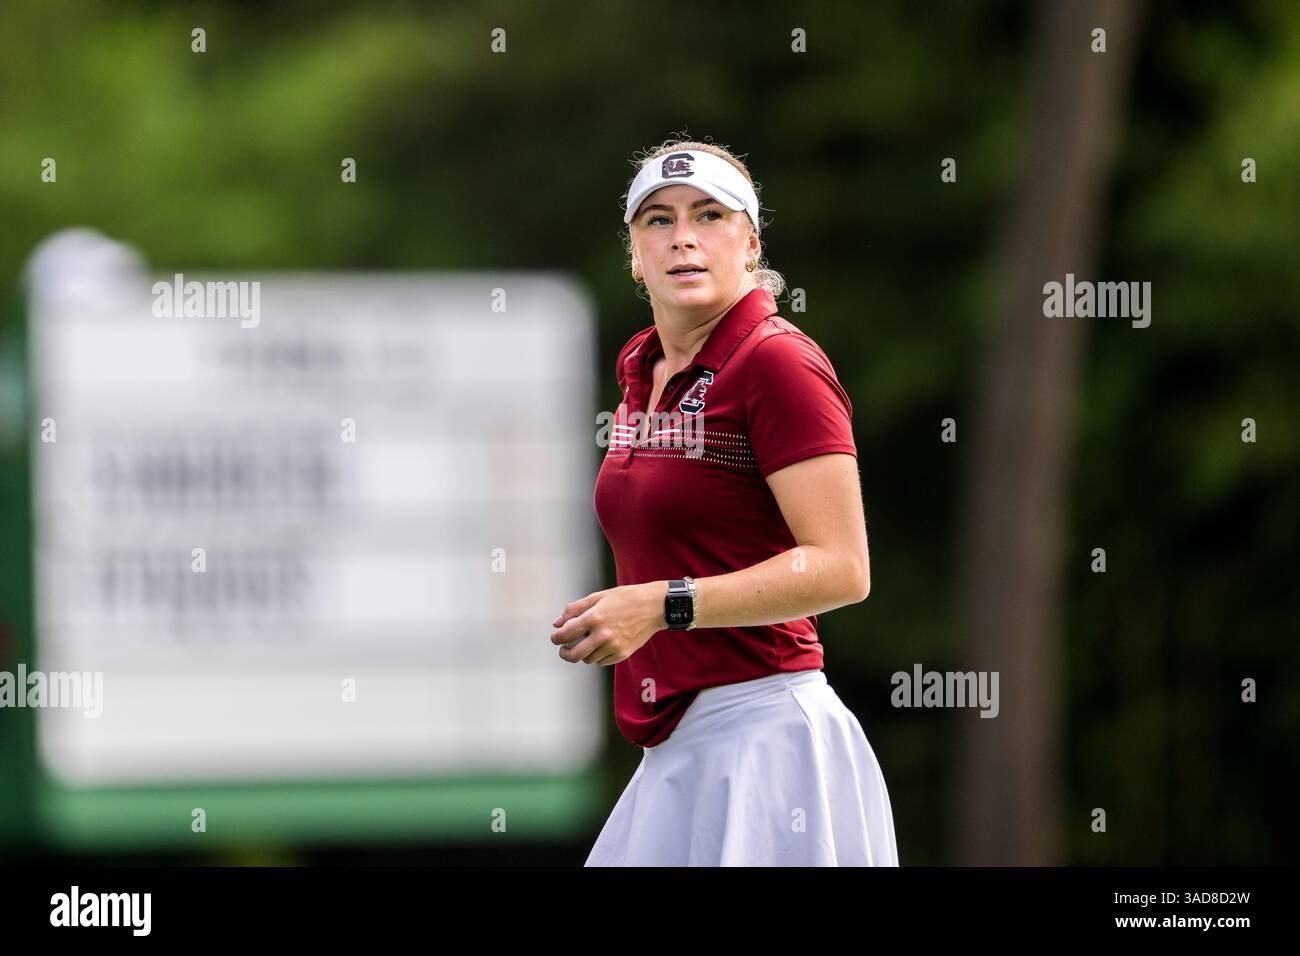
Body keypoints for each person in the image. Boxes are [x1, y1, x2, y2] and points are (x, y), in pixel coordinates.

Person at [550, 138, 899, 866]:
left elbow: (843, 568)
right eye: (657, 219)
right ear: (635, 255)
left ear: (750, 245)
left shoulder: (778, 361)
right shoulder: (642, 369)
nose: (682, 236)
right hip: (681, 748)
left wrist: (661, 605)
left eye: (709, 214)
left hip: (770, 740)